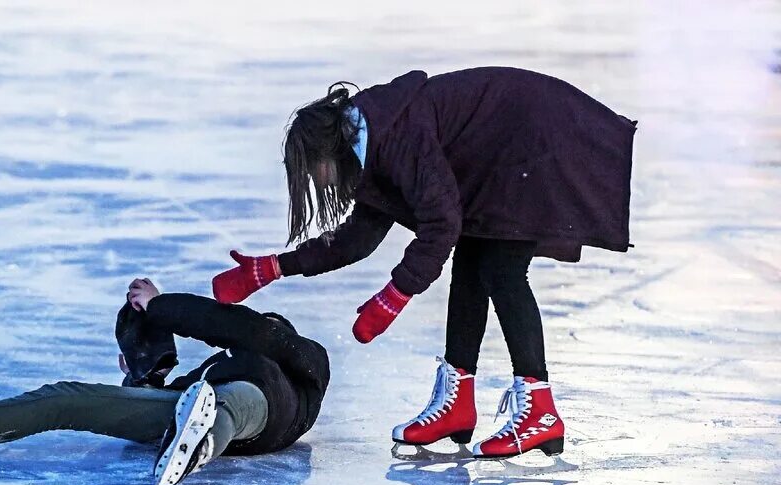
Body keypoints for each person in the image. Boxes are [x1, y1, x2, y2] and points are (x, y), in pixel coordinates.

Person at [211, 67, 636, 458]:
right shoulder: (369, 146)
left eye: (312, 169)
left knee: (500, 269)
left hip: (533, 138)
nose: (314, 180)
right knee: (472, 264)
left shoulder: (396, 138)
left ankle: (539, 409)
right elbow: (357, 239)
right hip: (503, 153)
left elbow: (441, 223)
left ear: (329, 149)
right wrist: (271, 268)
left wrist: (394, 296)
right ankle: (458, 402)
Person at [0, 279, 330, 485]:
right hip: (190, 412)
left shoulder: (296, 356)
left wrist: (159, 306)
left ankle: (202, 443)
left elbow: (249, 330)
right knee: (65, 398)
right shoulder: (193, 385)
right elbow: (161, 390)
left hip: (264, 409)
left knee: (229, 404)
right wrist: (146, 373)